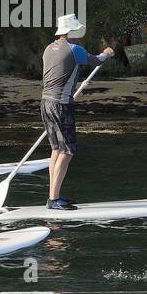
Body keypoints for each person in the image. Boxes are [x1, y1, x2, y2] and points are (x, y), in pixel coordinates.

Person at [40, 13, 113, 210]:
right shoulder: (75, 49)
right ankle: (54, 200)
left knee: (56, 149)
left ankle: (52, 197)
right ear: (71, 31)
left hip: (45, 103)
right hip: (61, 105)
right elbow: (97, 60)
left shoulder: (48, 48)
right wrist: (107, 53)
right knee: (68, 150)